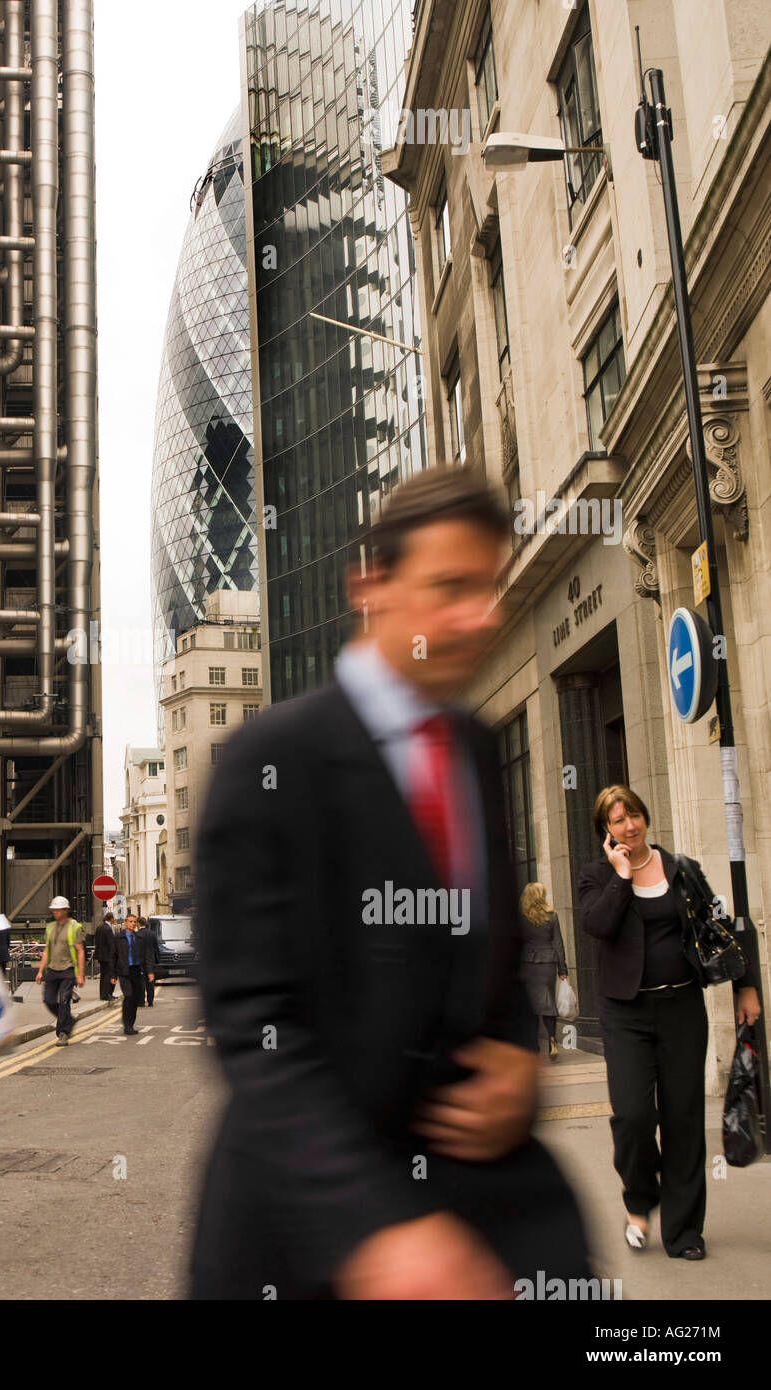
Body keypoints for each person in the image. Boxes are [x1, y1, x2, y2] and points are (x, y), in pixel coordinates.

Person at [190, 466, 592, 1300]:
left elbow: (493, 965)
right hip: (313, 1229)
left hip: (481, 1204)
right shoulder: (271, 761)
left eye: (488, 588)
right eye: (449, 587)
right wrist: (377, 1230)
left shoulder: (476, 749)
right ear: (370, 585)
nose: (480, 617)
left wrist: (522, 1061)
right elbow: (253, 1029)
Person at [577, 783, 762, 1260]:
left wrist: (746, 986)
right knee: (635, 1118)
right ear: (606, 830)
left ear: (644, 815)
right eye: (617, 820)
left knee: (683, 1119)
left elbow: (723, 925)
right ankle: (640, 1200)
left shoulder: (682, 869)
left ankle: (684, 1233)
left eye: (633, 814)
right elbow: (598, 926)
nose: (629, 825)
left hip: (682, 1009)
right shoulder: (596, 876)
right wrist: (621, 877)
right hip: (626, 1013)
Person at [519, 883, 568, 1059]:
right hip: (548, 963)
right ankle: (553, 1039)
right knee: (548, 1001)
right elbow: (558, 945)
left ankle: (533, 1046)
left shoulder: (521, 917)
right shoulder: (552, 915)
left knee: (531, 1004)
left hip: (528, 962)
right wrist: (563, 969)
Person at [35, 895, 84, 1045]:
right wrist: (40, 970)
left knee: (63, 1001)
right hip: (53, 970)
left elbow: (80, 951)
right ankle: (68, 1020)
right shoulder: (50, 927)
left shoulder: (74, 927)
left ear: (65, 910)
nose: (55, 912)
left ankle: (63, 1032)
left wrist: (81, 974)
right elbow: (47, 950)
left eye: (57, 910)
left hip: (68, 969)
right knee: (49, 1000)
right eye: (53, 910)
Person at [113, 913, 155, 1035]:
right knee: (129, 996)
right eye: (130, 921)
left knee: (135, 999)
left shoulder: (140, 938)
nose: (132, 924)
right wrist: (112, 975)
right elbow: (113, 956)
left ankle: (130, 1024)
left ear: (136, 923)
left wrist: (150, 971)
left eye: (134, 922)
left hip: (137, 971)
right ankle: (126, 1025)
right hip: (124, 972)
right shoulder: (118, 938)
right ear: (125, 923)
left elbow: (147, 956)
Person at [95, 913, 117, 1002]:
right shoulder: (108, 929)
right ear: (110, 919)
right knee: (108, 976)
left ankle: (103, 994)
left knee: (103, 975)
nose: (115, 920)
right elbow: (111, 944)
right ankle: (106, 995)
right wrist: (113, 955)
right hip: (107, 956)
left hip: (101, 956)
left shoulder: (99, 927)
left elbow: (96, 941)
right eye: (114, 918)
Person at [136, 917, 158, 1006]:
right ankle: (150, 1001)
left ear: (138, 924)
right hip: (151, 961)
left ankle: (141, 1001)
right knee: (150, 982)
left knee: (141, 983)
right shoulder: (152, 934)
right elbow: (156, 948)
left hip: (140, 962)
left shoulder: (137, 934)